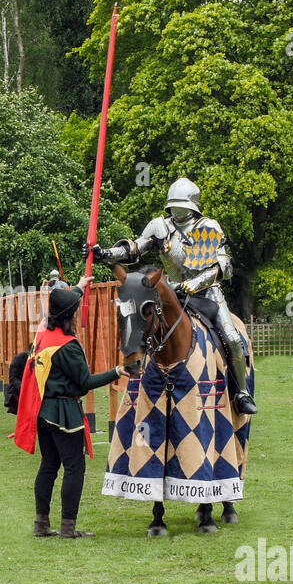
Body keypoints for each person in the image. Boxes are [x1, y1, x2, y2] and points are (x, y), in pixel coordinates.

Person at [91, 177, 258, 414]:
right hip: (172, 293)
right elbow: (135, 249)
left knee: (231, 336)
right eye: (174, 206)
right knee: (144, 326)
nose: (177, 210)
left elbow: (224, 267)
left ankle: (241, 393)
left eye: (182, 205)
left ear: (191, 206)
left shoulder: (207, 228)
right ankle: (141, 386)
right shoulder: (160, 226)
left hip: (207, 293)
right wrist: (108, 254)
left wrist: (196, 282)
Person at [13, 275, 125, 537]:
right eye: (74, 311)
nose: (77, 315)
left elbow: (63, 302)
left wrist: (79, 286)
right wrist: (117, 371)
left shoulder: (44, 330)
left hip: (43, 411)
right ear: (68, 316)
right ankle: (68, 528)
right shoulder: (68, 348)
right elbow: (85, 382)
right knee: (74, 467)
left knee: (49, 466)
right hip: (63, 413)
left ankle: (41, 525)